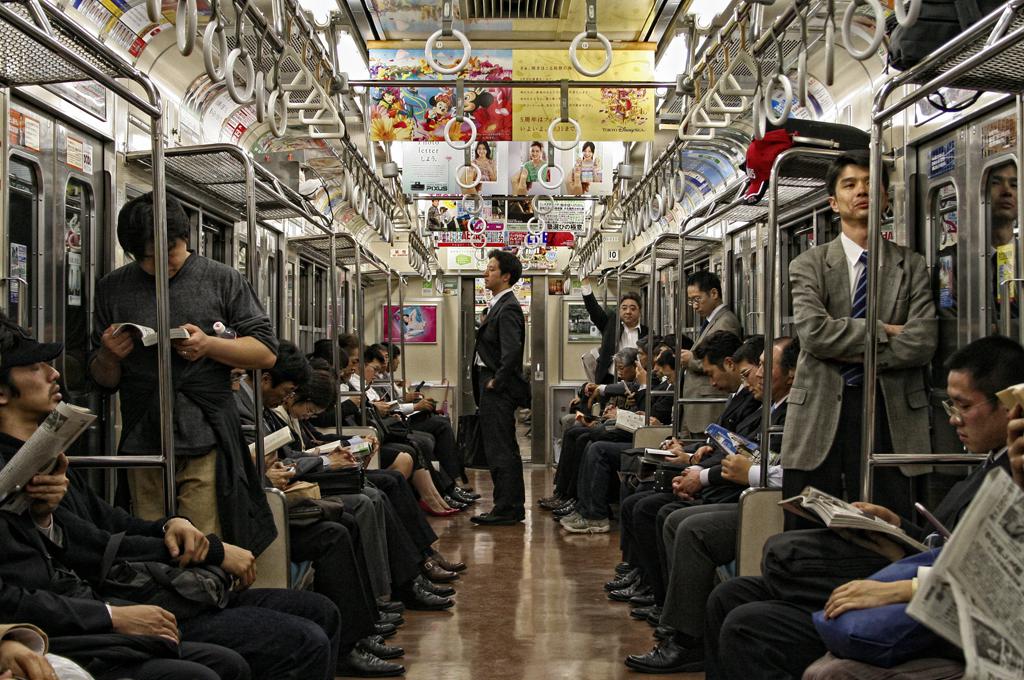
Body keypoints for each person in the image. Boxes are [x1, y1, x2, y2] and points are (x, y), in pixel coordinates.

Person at [0, 320, 341, 680]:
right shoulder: (15, 474)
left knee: (319, 611)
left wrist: (170, 525)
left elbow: (111, 522)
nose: (54, 374)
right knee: (297, 642)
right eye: (35, 367)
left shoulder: (46, 458)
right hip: (100, 603)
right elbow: (89, 547)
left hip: (117, 592)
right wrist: (211, 552)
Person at [704, 335, 1023, 680]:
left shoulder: (1011, 476)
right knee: (732, 594)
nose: (954, 420)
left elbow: (989, 578)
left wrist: (903, 586)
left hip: (933, 603)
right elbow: (940, 542)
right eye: (951, 406)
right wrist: (896, 525)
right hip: (916, 570)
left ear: (1010, 406)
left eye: (964, 406)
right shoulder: (991, 462)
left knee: (763, 598)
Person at [89, 193, 277, 554]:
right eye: (147, 258)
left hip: (204, 433)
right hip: (142, 438)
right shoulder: (112, 288)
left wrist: (209, 345)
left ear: (186, 238)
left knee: (202, 545)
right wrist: (109, 357)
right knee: (152, 546)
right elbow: (102, 382)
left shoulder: (222, 279)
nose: (161, 265)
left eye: (169, 252)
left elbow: (266, 353)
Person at [624, 337, 798, 674]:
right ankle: (677, 622)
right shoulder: (766, 407)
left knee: (689, 527)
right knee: (667, 514)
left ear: (791, 374)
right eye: (758, 366)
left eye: (766, 366)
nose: (758, 374)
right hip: (746, 490)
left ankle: (688, 641)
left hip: (766, 502)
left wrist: (710, 474)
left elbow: (777, 470)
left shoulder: (791, 412)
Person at [782, 151, 936, 518]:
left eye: (870, 184)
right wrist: (883, 330)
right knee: (808, 527)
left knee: (889, 523)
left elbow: (921, 342)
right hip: (820, 409)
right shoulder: (808, 265)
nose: (861, 191)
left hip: (890, 409)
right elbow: (814, 334)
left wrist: (843, 344)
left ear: (885, 198)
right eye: (850, 185)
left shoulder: (912, 265)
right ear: (833, 203)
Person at [470, 249, 530, 525]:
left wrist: (497, 382)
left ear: (506, 276)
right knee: (498, 447)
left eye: (492, 269)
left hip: (497, 388)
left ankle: (507, 508)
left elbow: (512, 352)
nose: (486, 273)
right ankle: (507, 505)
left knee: (501, 449)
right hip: (490, 385)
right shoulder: (498, 305)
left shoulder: (508, 308)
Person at [680, 270, 743, 436]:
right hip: (700, 404)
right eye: (691, 301)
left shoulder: (726, 321)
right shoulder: (711, 321)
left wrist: (691, 360)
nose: (694, 306)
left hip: (710, 403)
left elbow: (722, 361)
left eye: (697, 299)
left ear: (714, 293)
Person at [581, 280, 648, 385]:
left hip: (636, 381)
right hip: (610, 379)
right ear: (619, 311)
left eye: (633, 308)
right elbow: (593, 309)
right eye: (624, 308)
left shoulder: (647, 333)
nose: (628, 312)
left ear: (639, 312)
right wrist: (585, 283)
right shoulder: (610, 326)